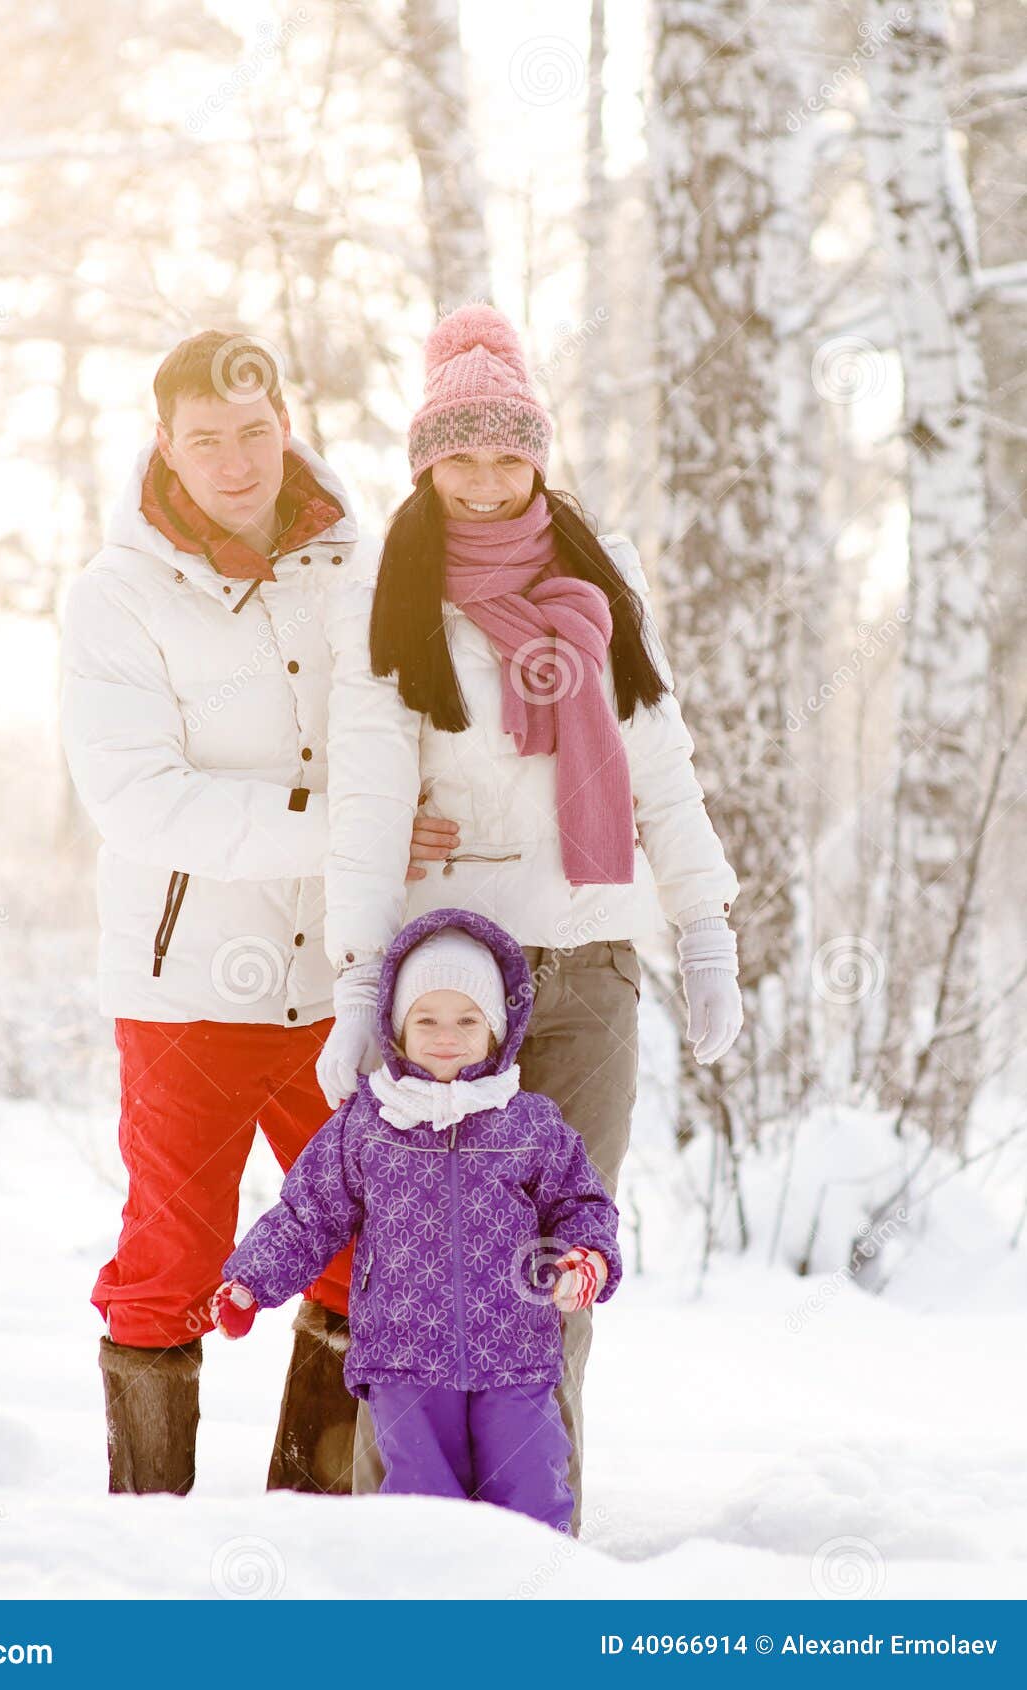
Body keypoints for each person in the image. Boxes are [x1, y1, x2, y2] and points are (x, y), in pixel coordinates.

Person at [315, 303, 745, 1534]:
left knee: (561, 1265)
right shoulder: (390, 595)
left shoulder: (595, 583)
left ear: (539, 455)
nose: (488, 480)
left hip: (596, 968)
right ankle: (398, 1543)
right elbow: (368, 796)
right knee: (421, 1268)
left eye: (510, 454)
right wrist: (358, 981)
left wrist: (703, 929)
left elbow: (660, 767)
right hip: (454, 976)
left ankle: (532, 1534)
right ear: (425, 460)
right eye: (463, 456)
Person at [59, 328, 412, 1496]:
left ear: (287, 426)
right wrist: (348, 827)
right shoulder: (116, 594)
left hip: (344, 986)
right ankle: (149, 1537)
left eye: (255, 432)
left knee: (372, 1249)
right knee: (174, 1258)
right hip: (190, 988)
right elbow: (141, 800)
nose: (235, 460)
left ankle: (311, 1519)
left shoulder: (360, 567)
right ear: (164, 442)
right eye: (204, 438)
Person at [211, 907, 622, 1532]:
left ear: (498, 1030)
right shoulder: (369, 1122)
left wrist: (583, 1258)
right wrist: (251, 1281)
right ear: (396, 1029)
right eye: (425, 1019)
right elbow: (308, 1211)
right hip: (403, 1358)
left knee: (534, 1498)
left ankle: (539, 1608)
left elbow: (581, 1203)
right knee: (420, 1513)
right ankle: (425, 1617)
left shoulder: (530, 1123)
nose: (445, 1035)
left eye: (466, 1019)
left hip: (514, 1355)